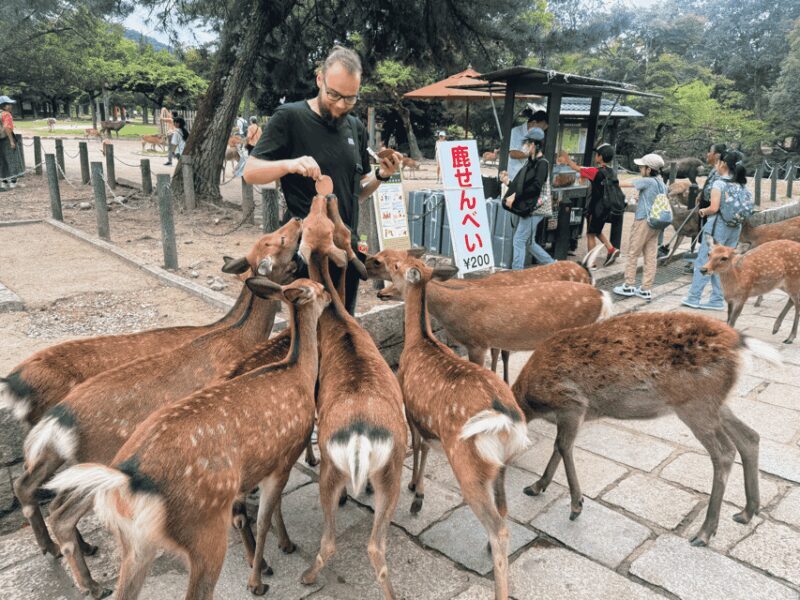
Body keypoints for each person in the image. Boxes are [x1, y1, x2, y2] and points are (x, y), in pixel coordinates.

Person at [244, 45, 402, 315]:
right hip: (306, 254)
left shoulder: (356, 127)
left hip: (345, 254)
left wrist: (381, 175)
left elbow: (357, 192)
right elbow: (250, 171)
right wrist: (289, 164)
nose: (341, 105)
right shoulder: (290, 117)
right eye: (334, 95)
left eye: (350, 98)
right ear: (320, 79)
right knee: (308, 336)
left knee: (341, 334)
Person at [681, 150, 747, 311]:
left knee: (705, 259)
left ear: (723, 164)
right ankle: (717, 298)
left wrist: (704, 211)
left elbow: (714, 208)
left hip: (719, 226)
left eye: (718, 162)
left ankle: (694, 297)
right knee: (724, 262)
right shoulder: (740, 184)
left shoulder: (720, 183)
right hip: (735, 227)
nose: (716, 165)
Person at [612, 153, 667, 301]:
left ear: (649, 169)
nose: (640, 169)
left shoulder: (648, 181)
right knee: (650, 256)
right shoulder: (661, 182)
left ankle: (629, 285)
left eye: (642, 167)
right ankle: (646, 289)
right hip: (656, 223)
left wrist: (611, 180)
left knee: (633, 253)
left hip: (643, 221)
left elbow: (626, 183)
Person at [500, 127, 554, 269]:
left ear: (534, 145)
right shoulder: (530, 162)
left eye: (527, 144)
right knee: (529, 243)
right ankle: (553, 265)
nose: (524, 147)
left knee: (519, 239)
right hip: (531, 206)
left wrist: (515, 195)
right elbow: (522, 186)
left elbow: (535, 188)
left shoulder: (542, 163)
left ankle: (517, 274)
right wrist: (508, 183)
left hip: (536, 208)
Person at [558, 143, 620, 268]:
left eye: (596, 154)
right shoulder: (611, 172)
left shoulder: (595, 171)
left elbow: (576, 167)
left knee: (590, 234)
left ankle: (591, 263)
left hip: (595, 208)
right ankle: (611, 249)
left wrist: (566, 157)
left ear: (600, 157)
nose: (595, 156)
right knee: (597, 231)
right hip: (606, 208)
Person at [507, 108, 548, 180]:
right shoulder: (516, 132)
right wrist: (530, 154)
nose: (542, 132)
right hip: (514, 176)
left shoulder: (538, 136)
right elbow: (512, 153)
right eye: (541, 128)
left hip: (528, 177)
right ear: (533, 123)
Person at [0, 96, 22, 191]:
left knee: (2, 161)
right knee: (12, 159)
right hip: (6, 139)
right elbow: (7, 128)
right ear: (4, 106)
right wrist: (12, 141)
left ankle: (3, 182)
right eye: (9, 104)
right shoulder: (6, 114)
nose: (11, 106)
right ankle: (13, 182)